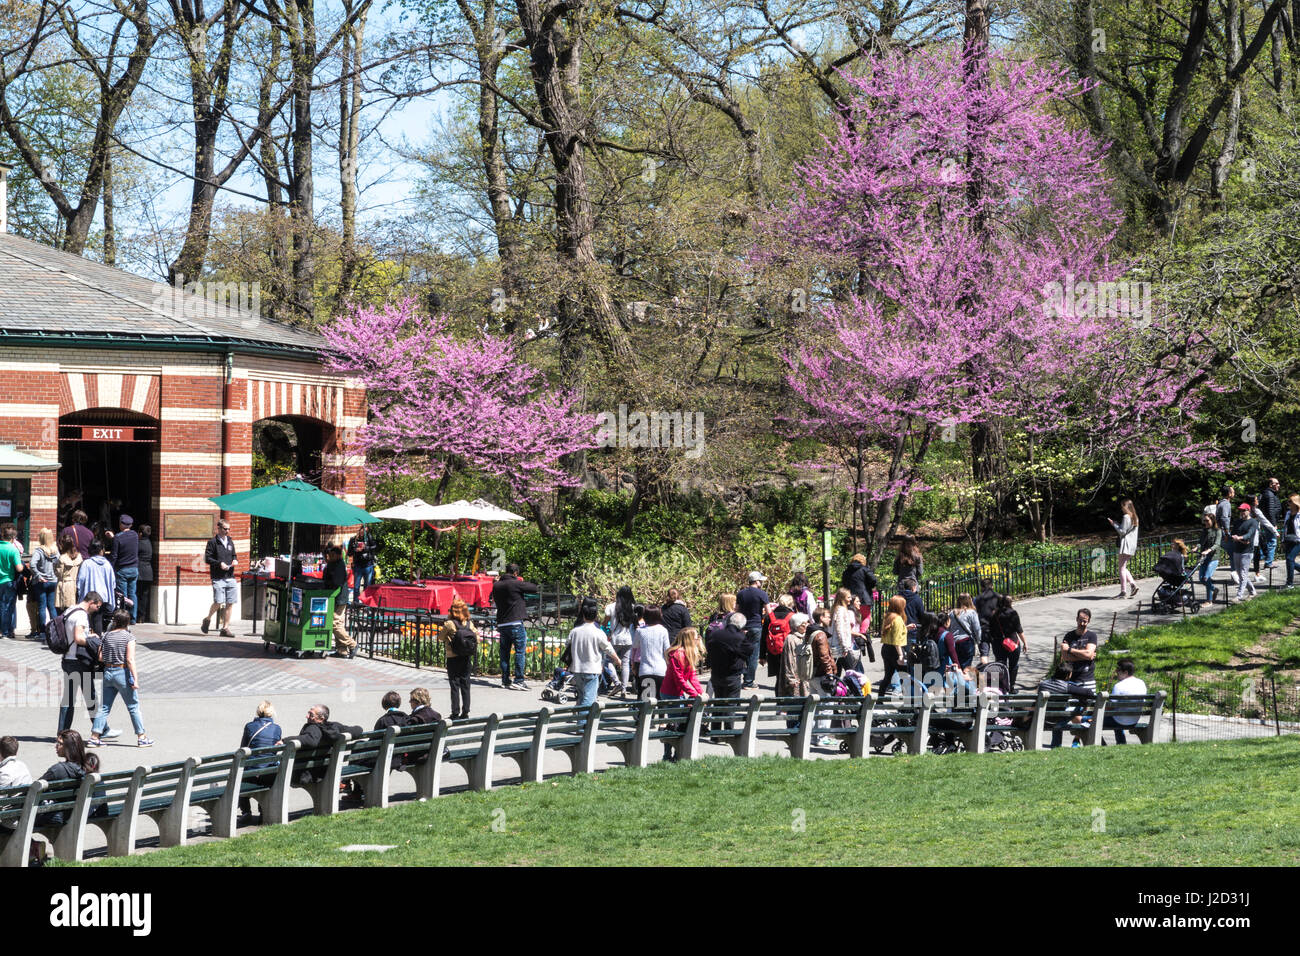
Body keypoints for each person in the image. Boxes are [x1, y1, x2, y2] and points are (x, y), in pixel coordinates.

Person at [87, 609, 154, 748]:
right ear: (127, 622)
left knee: (104, 707)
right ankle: (141, 737)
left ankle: (94, 737)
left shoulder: (106, 636)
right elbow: (130, 659)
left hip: (108, 672)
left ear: (114, 621)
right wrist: (135, 678)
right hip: (122, 672)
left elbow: (100, 657)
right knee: (133, 706)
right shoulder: (128, 637)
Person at [1043, 610, 1100, 748]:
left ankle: (1076, 739)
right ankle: (1080, 732)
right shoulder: (1069, 635)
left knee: (1082, 710)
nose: (1082, 623)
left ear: (1089, 621)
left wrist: (1071, 650)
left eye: (1085, 621)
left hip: (1087, 678)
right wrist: (1083, 654)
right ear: (1076, 619)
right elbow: (1067, 657)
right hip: (1070, 680)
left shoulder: (1092, 636)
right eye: (1080, 620)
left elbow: (1088, 654)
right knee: (1071, 710)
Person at [659, 626, 705, 761]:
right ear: (689, 639)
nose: (698, 639)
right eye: (696, 636)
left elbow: (692, 677)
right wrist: (694, 694)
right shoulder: (676, 654)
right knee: (674, 724)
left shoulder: (688, 653)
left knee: (677, 723)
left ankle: (676, 754)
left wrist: (700, 692)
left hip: (678, 693)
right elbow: (679, 679)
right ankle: (668, 755)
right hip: (669, 693)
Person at [38, 731, 100, 830]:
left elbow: (34, 789)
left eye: (59, 743)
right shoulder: (87, 769)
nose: (56, 746)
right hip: (76, 812)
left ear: (69, 747)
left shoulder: (58, 770)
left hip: (61, 815)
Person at [565, 601, 622, 708]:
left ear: (583, 615)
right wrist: (617, 659)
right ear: (596, 616)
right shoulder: (598, 632)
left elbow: (567, 644)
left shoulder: (575, 631)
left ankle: (579, 720)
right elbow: (608, 648)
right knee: (588, 699)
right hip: (591, 669)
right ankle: (582, 723)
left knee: (581, 696)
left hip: (577, 669)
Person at [288, 705, 364, 786]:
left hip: (306, 775)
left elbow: (311, 741)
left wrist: (285, 740)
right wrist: (340, 736)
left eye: (311, 715)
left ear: (321, 718)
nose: (306, 716)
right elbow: (358, 730)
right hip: (327, 771)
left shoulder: (312, 728)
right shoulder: (333, 726)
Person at [491, 563, 539, 691]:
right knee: (519, 651)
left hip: (502, 623)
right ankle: (519, 680)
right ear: (516, 573)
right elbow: (534, 588)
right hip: (515, 622)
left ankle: (505, 680)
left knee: (504, 653)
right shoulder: (516, 583)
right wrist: (519, 581)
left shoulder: (496, 585)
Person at [238, 701, 283, 819]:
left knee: (240, 775)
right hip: (268, 773)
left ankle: (246, 812)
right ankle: (263, 810)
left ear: (258, 712)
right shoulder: (277, 729)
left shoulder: (249, 726)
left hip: (250, 772)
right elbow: (274, 751)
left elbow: (243, 749)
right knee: (269, 767)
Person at [438, 596, 477, 719]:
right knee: (466, 684)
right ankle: (466, 711)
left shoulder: (450, 624)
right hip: (466, 657)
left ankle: (455, 712)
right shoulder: (469, 624)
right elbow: (477, 638)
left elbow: (440, 637)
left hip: (453, 657)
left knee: (454, 685)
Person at [705, 612, 755, 701]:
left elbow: (709, 648)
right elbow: (749, 651)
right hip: (732, 674)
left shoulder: (715, 634)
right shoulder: (739, 637)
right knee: (731, 703)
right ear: (742, 625)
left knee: (718, 702)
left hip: (716, 672)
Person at [202, 518, 238, 637]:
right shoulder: (212, 542)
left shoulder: (230, 541)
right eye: (225, 529)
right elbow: (207, 558)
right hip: (218, 577)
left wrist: (235, 560)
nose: (227, 531)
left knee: (230, 602)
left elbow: (234, 555)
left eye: (228, 529)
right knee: (218, 601)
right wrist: (219, 563)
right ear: (219, 528)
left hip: (230, 576)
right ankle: (207, 619)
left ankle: (225, 628)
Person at [734, 572, 769, 689]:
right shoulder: (762, 594)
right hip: (756, 626)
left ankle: (742, 676)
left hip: (742, 626)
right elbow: (769, 612)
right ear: (757, 581)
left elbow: (736, 611)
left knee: (742, 653)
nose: (762, 583)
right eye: (761, 581)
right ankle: (749, 682)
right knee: (753, 655)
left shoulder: (741, 594)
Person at [322, 545, 357, 659]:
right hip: (336, 597)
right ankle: (341, 650)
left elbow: (336, 583)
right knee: (339, 624)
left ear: (338, 555)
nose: (329, 557)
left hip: (339, 598)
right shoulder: (333, 564)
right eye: (329, 555)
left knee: (334, 623)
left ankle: (352, 644)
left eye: (332, 555)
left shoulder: (339, 566)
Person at [76, 539, 116, 637]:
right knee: (98, 617)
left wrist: (79, 592)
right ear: (101, 550)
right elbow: (113, 582)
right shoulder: (107, 564)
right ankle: (97, 639)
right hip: (103, 596)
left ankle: (93, 639)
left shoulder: (87, 563)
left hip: (90, 596)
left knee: (90, 619)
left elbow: (80, 580)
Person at [1103, 659, 1148, 745]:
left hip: (1120, 720)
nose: (1116, 673)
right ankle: (1121, 743)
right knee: (1117, 715)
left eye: (1118, 671)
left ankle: (1103, 745)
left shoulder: (1119, 686)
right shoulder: (1141, 683)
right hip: (1134, 720)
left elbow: (1110, 707)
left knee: (1090, 720)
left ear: (1126, 672)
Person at [604, 585, 639, 695]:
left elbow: (605, 623)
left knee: (607, 661)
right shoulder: (634, 608)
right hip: (629, 639)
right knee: (625, 663)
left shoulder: (611, 607)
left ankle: (617, 683)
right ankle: (623, 689)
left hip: (615, 639)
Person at [991, 594, 1026, 692]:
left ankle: (1001, 686)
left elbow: (991, 630)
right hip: (1013, 643)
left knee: (1000, 665)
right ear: (1010, 603)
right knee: (1013, 665)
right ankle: (1011, 687)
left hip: (998, 643)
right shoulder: (1013, 613)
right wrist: (1025, 643)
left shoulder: (995, 614)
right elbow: (1019, 630)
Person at [633, 606, 670, 699]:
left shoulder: (640, 630)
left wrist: (633, 664)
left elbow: (634, 648)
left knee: (646, 701)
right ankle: (661, 714)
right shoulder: (663, 630)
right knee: (660, 698)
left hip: (645, 669)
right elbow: (667, 650)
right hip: (661, 669)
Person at [109, 515, 140, 624]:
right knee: (133, 593)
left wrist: (110, 568)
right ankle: (133, 617)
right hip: (134, 568)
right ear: (130, 525)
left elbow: (114, 555)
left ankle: (124, 618)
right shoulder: (135, 535)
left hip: (122, 569)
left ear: (121, 524)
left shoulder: (118, 537)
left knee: (123, 595)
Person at [1107, 499, 1140, 598]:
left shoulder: (1126, 517)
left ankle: (1123, 591)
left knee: (1121, 568)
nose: (1121, 508)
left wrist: (1114, 524)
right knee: (1123, 567)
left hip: (1126, 544)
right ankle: (1133, 584)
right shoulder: (1135, 517)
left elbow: (1122, 531)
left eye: (1122, 506)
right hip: (1132, 544)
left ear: (1126, 507)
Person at [1228, 503, 1259, 604]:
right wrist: (1235, 538)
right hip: (1237, 550)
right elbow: (1233, 533)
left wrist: (1240, 538)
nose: (1242, 512)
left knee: (1243, 573)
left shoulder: (1253, 522)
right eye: (1240, 510)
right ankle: (1253, 592)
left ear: (1248, 510)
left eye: (1243, 510)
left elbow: (1249, 535)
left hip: (1247, 552)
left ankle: (1239, 596)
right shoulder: (1237, 522)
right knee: (1241, 574)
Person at [28, 528, 58, 632]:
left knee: (42, 607)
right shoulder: (55, 550)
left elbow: (32, 564)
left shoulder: (39, 550)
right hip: (53, 581)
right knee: (51, 607)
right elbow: (59, 565)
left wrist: (38, 576)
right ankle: (55, 630)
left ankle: (42, 631)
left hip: (41, 582)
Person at [776, 614, 811, 699]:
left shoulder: (805, 637)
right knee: (795, 700)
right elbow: (788, 659)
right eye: (803, 624)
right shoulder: (790, 639)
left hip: (805, 675)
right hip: (795, 676)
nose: (806, 626)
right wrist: (791, 679)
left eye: (807, 623)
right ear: (797, 626)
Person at [879, 595, 908, 695]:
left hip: (886, 648)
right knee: (905, 677)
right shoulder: (898, 619)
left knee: (888, 676)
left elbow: (891, 633)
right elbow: (896, 640)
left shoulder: (888, 617)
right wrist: (900, 655)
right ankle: (908, 702)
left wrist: (906, 628)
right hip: (896, 650)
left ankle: (880, 698)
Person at [346, 526, 379, 604]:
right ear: (360, 530)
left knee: (367, 586)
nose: (363, 533)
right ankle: (356, 603)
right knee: (356, 586)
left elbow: (375, 546)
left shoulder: (369, 537)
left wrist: (366, 548)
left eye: (365, 532)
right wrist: (355, 549)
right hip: (358, 565)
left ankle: (366, 603)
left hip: (368, 565)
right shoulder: (353, 539)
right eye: (362, 530)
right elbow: (349, 553)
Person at [0, 525, 22, 640]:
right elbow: (19, 568)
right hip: (8, 581)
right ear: (13, 537)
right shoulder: (13, 550)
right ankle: (6, 631)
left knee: (1, 606)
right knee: (8, 607)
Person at [1195, 512, 1222, 602]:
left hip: (1213, 558)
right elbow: (1200, 542)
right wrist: (1196, 547)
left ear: (1212, 520)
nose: (1205, 523)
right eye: (1204, 521)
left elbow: (1217, 544)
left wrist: (1208, 550)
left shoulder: (1218, 531)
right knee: (1201, 579)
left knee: (1207, 578)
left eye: (1207, 521)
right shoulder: (1204, 531)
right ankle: (1214, 589)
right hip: (1204, 558)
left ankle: (1209, 601)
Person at [1258, 478, 1284, 570]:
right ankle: (1268, 562)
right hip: (1269, 522)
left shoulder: (1269, 493)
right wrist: (1273, 524)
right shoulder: (1269, 494)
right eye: (1276, 483)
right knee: (1272, 541)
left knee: (1269, 541)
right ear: (1270, 485)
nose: (1278, 485)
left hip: (1268, 522)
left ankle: (1266, 560)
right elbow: (1270, 510)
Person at [1249, 495, 1277, 578]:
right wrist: (1275, 531)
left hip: (1255, 535)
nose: (1258, 501)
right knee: (1256, 554)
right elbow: (1265, 522)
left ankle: (1258, 572)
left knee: (1260, 552)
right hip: (1254, 536)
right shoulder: (1256, 511)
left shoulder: (1247, 510)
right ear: (1253, 502)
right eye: (1256, 500)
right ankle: (1257, 574)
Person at [950, 594, 981, 669]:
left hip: (954, 642)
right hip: (966, 641)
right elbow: (977, 629)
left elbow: (949, 628)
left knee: (956, 666)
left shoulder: (951, 613)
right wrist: (978, 641)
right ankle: (964, 680)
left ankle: (957, 680)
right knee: (966, 667)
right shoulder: (971, 613)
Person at [55, 532, 82, 615]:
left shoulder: (62, 558)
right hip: (75, 584)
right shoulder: (79, 556)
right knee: (73, 611)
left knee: (62, 613)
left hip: (64, 585)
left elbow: (59, 574)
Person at [974, 579, 1001, 662]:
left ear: (981, 587)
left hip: (983, 628)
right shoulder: (998, 597)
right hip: (996, 629)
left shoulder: (977, 599)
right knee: (999, 654)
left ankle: (984, 673)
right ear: (992, 586)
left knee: (984, 653)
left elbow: (974, 613)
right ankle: (998, 673)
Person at [828, 588, 857, 665]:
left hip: (835, 646)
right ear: (842, 598)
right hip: (840, 647)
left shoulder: (835, 609)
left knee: (837, 672)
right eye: (848, 597)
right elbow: (839, 629)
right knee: (851, 671)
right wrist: (844, 647)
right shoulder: (840, 610)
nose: (850, 599)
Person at [134, 524, 153, 623]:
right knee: (144, 596)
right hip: (148, 572)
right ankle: (142, 617)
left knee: (136, 594)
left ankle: (136, 615)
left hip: (140, 572)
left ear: (140, 533)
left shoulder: (138, 543)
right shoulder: (150, 543)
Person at [1284, 495, 1300, 589]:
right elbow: (1285, 527)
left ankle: (1289, 584)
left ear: (1295, 502)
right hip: (1288, 539)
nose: (1288, 503)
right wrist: (1283, 540)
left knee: (1290, 559)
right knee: (1289, 561)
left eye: (1290, 501)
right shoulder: (1288, 513)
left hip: (1298, 540)